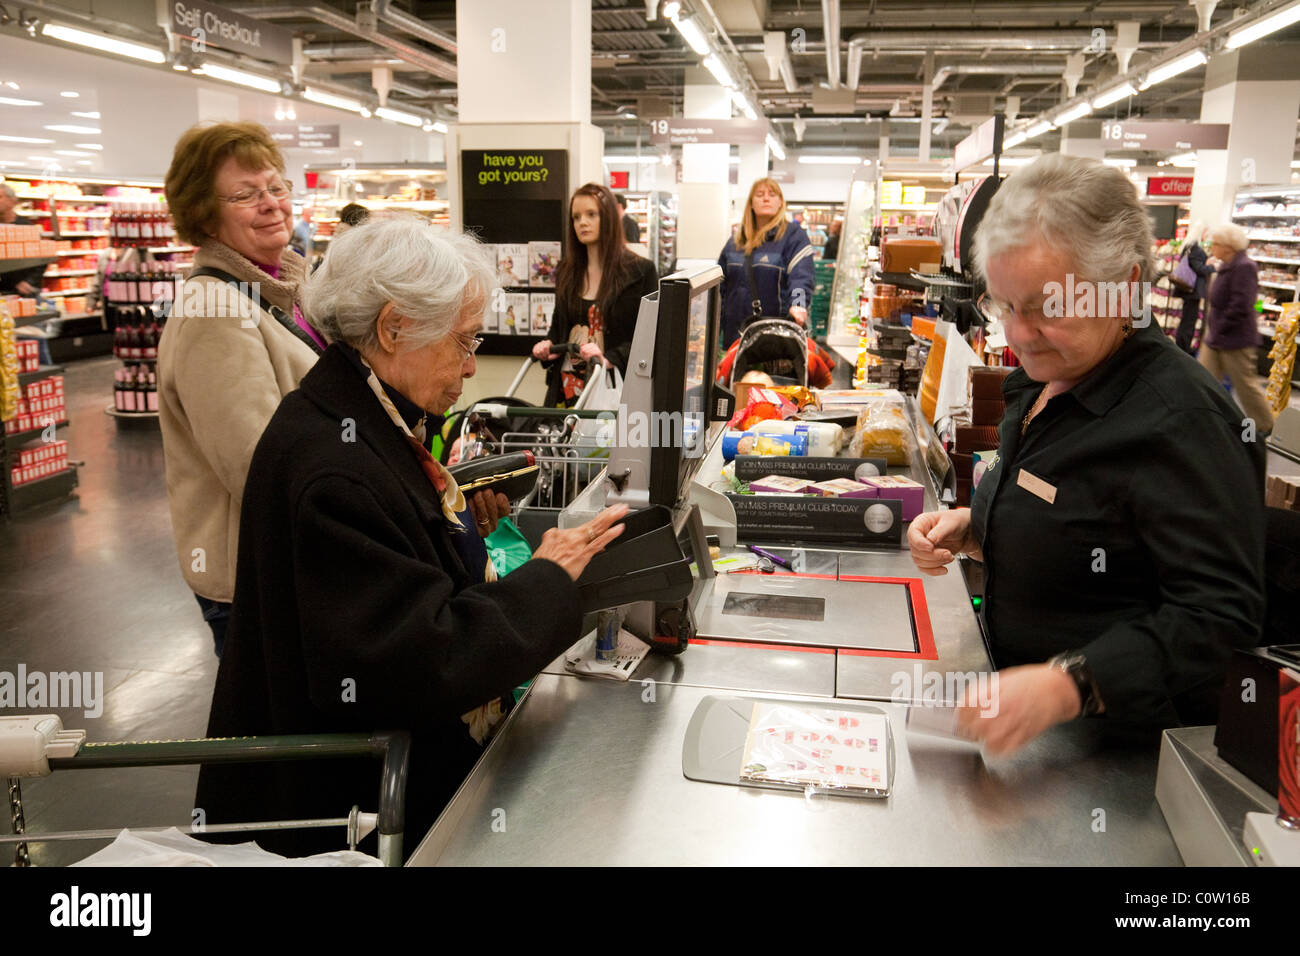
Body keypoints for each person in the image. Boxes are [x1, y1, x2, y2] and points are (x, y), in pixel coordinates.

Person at [194, 217, 629, 858]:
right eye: (462, 342)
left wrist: (453, 537)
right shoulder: (333, 465)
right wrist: (547, 577)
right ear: (394, 326)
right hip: (351, 818)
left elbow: (385, 573)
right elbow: (413, 659)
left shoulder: (352, 410)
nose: (472, 364)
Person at [908, 154, 1264, 756]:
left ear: (1126, 287)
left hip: (1121, 763)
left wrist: (1069, 684)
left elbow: (1219, 620)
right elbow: (1075, 512)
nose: (1017, 334)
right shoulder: (1052, 377)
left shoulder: (1182, 420)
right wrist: (975, 527)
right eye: (1004, 305)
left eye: (1047, 308)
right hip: (1034, 751)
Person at [157, 122, 327, 659]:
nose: (271, 204)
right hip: (256, 578)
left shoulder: (279, 288)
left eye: (276, 187)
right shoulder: (215, 312)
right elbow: (257, 465)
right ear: (204, 215)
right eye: (246, 195)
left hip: (292, 561)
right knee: (277, 735)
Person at [531, 183, 657, 406]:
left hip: (614, 390)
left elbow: (650, 335)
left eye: (591, 214)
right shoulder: (567, 272)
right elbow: (559, 326)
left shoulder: (640, 272)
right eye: (576, 217)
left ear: (607, 218)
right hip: (568, 388)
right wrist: (548, 346)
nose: (583, 223)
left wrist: (611, 358)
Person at [717, 177, 815, 348]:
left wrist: (798, 305)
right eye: (760, 194)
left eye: (772, 194)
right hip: (734, 338)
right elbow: (720, 285)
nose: (766, 198)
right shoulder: (735, 242)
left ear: (780, 203)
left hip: (775, 339)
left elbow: (802, 276)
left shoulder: (794, 237)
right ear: (751, 204)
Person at [1199, 223, 1274, 435]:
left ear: (1228, 246)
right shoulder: (1225, 264)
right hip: (1216, 336)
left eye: (1215, 243)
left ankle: (1263, 424)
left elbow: (1242, 303)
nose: (1211, 247)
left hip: (1236, 338)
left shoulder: (1245, 267)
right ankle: (1205, 421)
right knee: (1203, 379)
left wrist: (1220, 326)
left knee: (1245, 385)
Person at [1172, 221, 1213, 355]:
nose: (1207, 235)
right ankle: (1183, 349)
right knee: (1189, 322)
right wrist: (1212, 267)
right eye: (1206, 231)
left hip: (1188, 290)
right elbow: (1199, 269)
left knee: (1187, 320)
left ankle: (1182, 347)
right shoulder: (1195, 248)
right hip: (1192, 291)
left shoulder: (1189, 247)